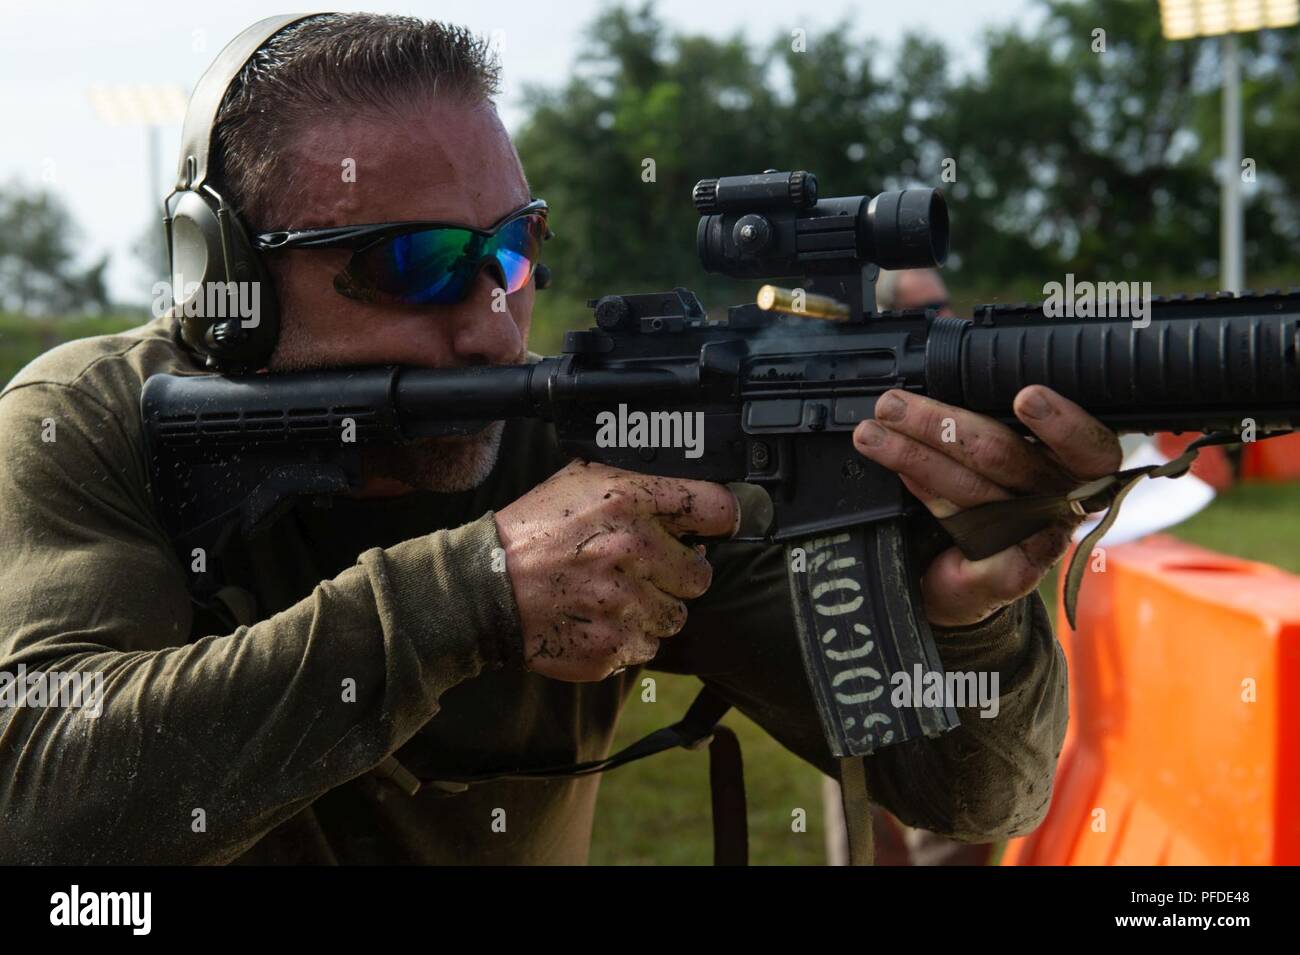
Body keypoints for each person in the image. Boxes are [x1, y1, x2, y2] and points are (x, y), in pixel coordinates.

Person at [0, 15, 1118, 864]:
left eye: (509, 249)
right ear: (227, 277)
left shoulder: (613, 449)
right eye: (416, 264)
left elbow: (971, 794)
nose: (490, 318)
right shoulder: (94, 426)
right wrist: (470, 595)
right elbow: (38, 803)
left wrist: (965, 620)